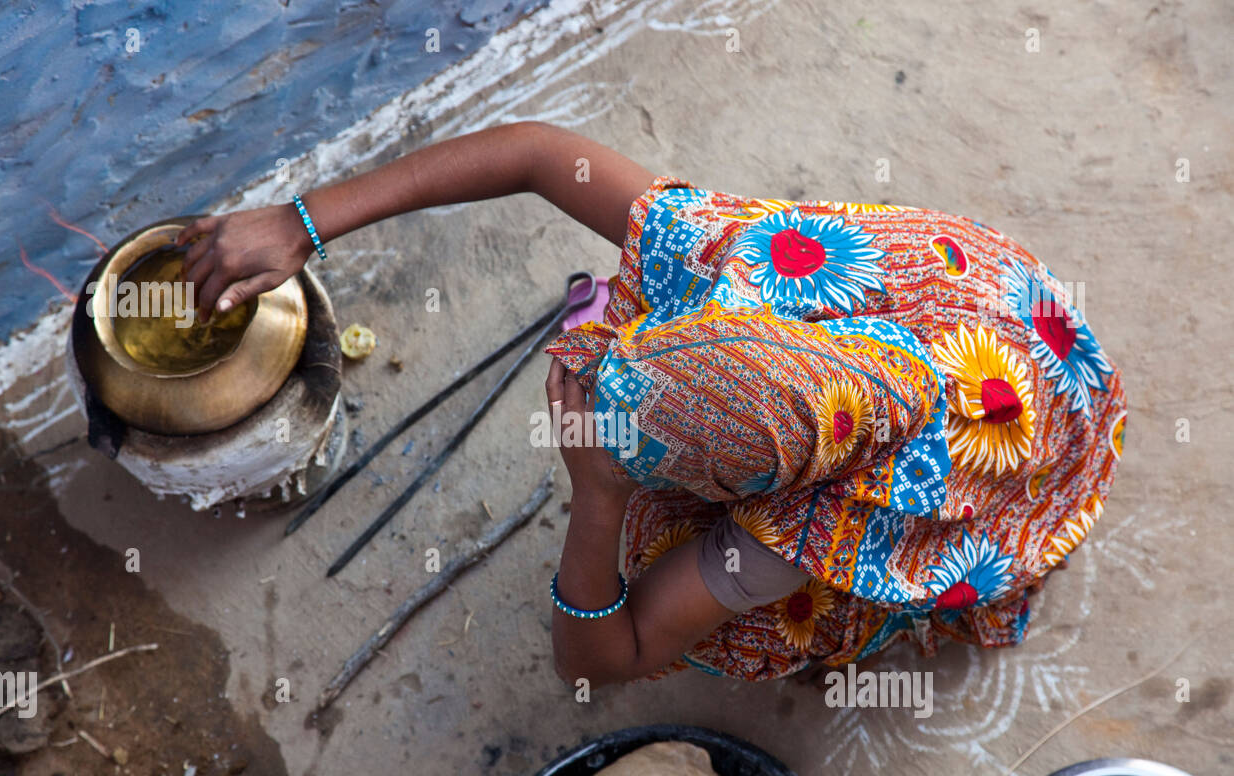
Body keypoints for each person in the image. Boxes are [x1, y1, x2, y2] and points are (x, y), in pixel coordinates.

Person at [177, 121, 1125, 689]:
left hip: (1000, 443)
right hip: (988, 320)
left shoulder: (807, 526)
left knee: (738, 626)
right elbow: (537, 155)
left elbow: (601, 661)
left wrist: (598, 496)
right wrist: (301, 223)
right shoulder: (748, 262)